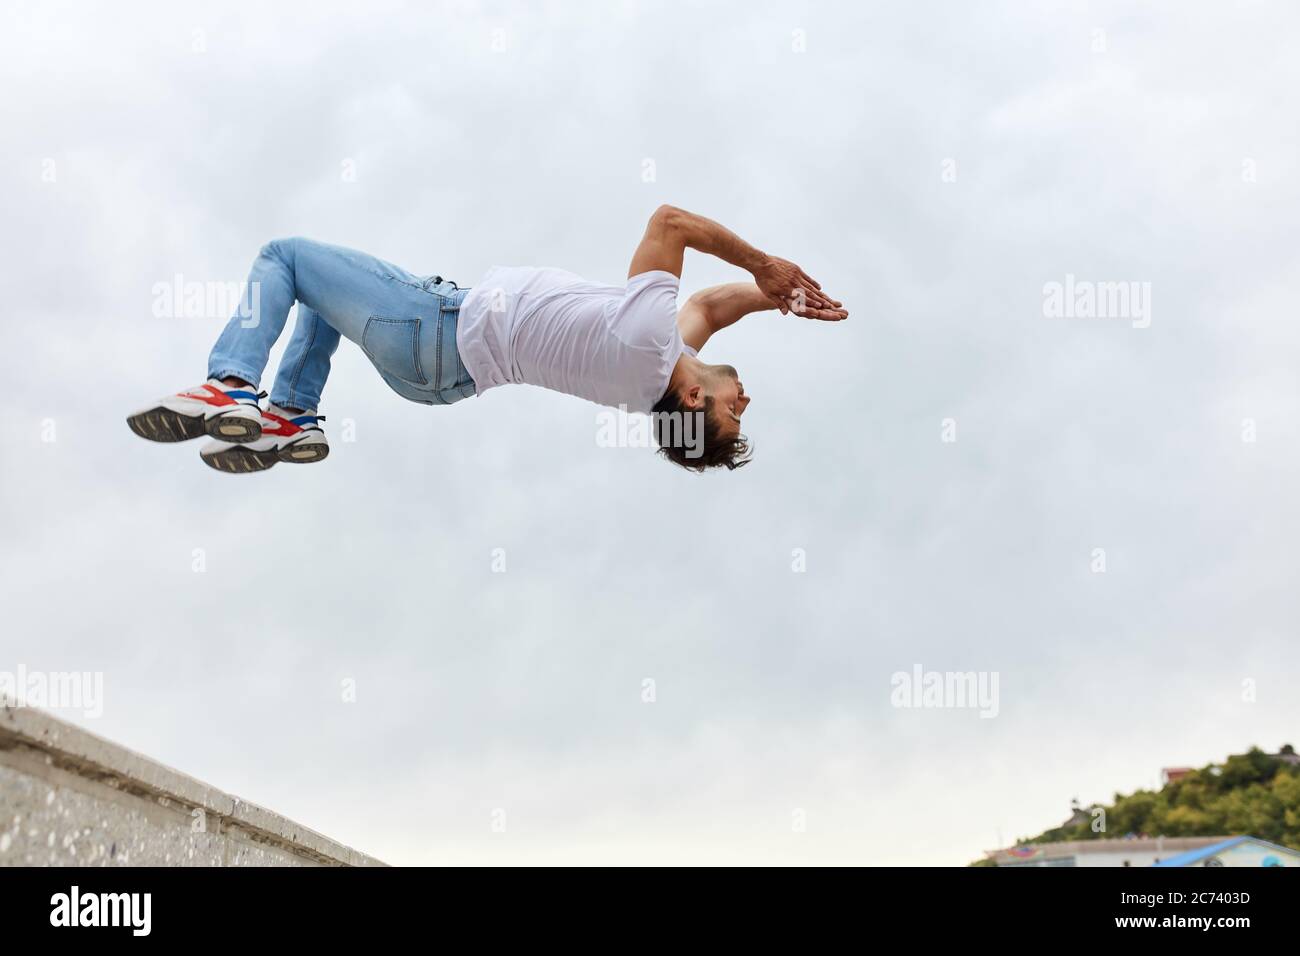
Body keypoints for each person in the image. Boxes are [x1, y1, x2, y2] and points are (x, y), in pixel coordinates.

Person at [127, 204, 847, 473]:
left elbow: (669, 224)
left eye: (734, 408)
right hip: (439, 377)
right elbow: (713, 308)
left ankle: (231, 383)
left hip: (434, 327)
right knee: (325, 293)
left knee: (284, 256)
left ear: (693, 395)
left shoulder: (650, 343)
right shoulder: (647, 375)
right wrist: (780, 297)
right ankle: (290, 412)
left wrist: (764, 264)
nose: (746, 395)